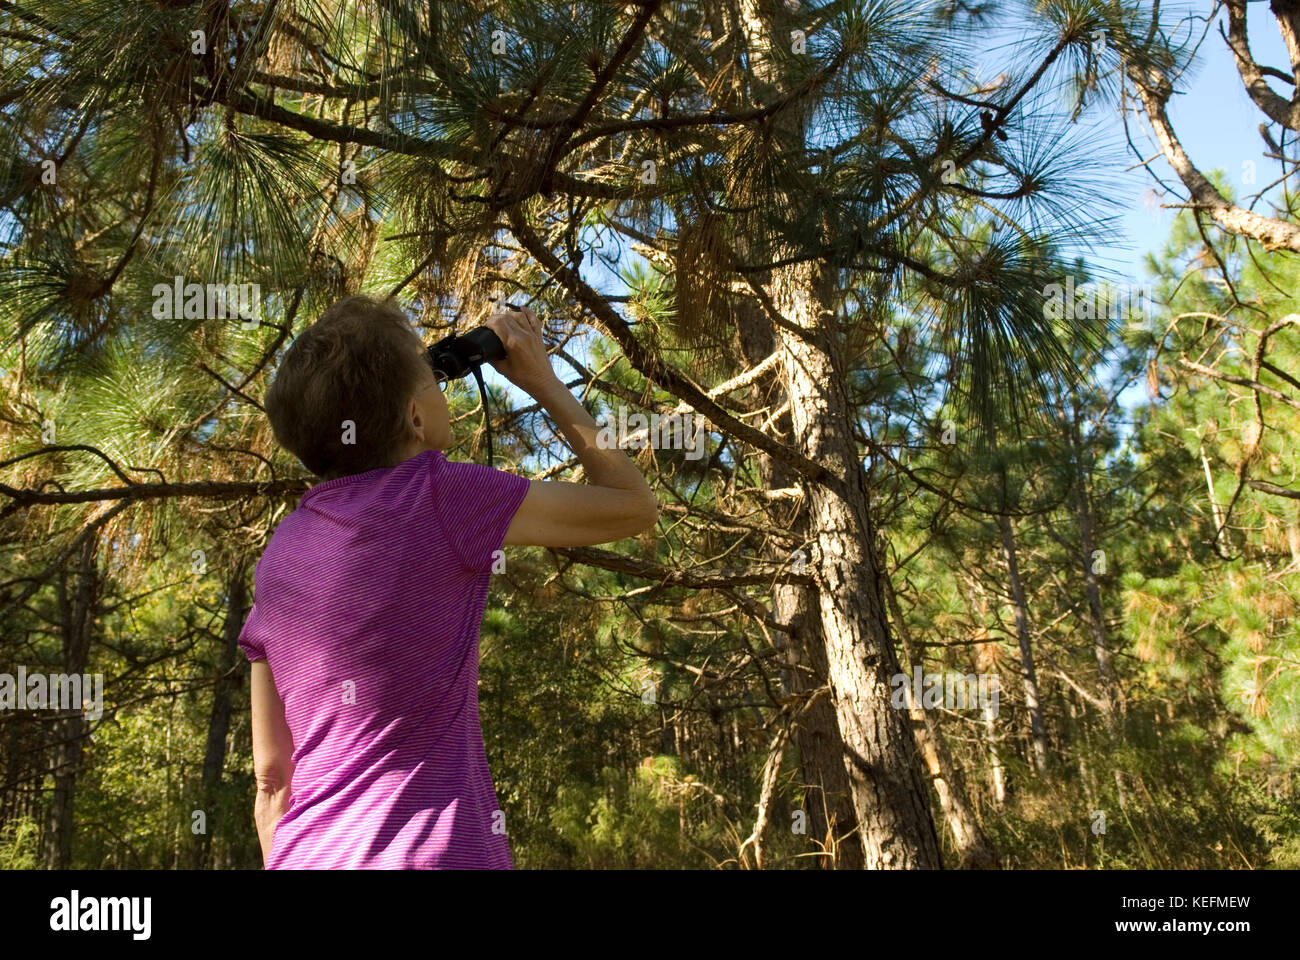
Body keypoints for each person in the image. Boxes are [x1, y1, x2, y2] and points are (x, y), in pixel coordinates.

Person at [237, 294, 658, 868]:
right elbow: (631, 505)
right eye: (431, 378)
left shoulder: (279, 556)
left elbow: (271, 779)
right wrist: (543, 380)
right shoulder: (441, 497)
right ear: (414, 417)